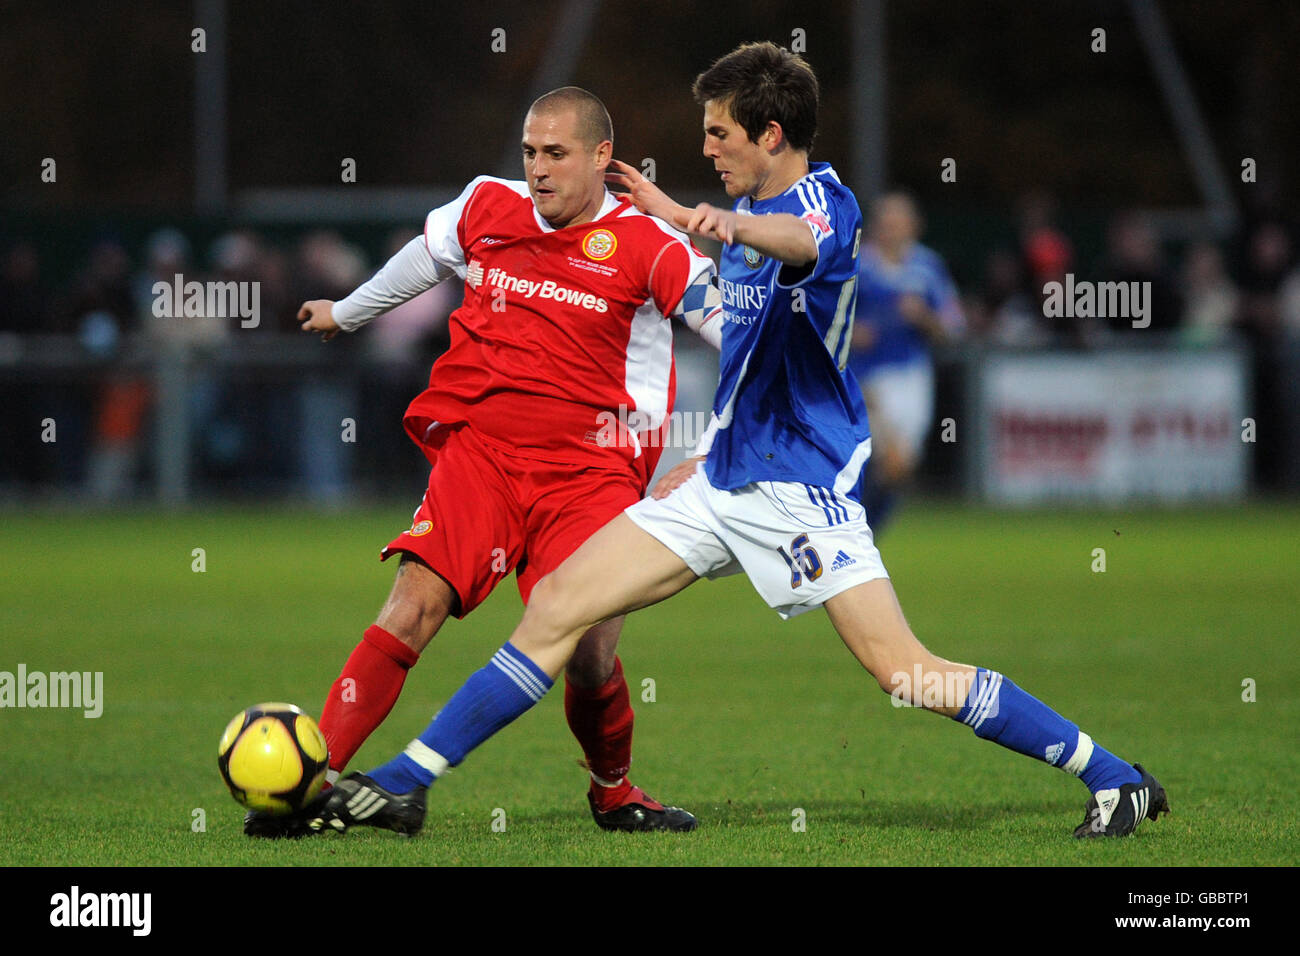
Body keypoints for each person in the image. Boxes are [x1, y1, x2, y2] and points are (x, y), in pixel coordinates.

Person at [308, 42, 1168, 841]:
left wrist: (702, 219)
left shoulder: (819, 205)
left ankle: (1111, 775)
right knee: (560, 605)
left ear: (770, 133)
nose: (709, 148)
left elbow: (801, 245)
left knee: (906, 675)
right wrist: (711, 434)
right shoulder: (747, 213)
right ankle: (409, 780)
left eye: (720, 134)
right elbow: (750, 353)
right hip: (723, 479)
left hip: (799, 488)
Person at [247, 87, 723, 837]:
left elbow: (746, 345)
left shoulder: (652, 245)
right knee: (412, 604)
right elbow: (423, 259)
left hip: (592, 473)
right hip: (483, 455)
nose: (537, 170)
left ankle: (614, 790)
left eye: (556, 154)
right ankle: (316, 783)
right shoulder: (485, 206)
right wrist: (348, 311)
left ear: (602, 157)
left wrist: (710, 450)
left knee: (591, 652)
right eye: (531, 152)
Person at [848, 193, 964, 532]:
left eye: (898, 223)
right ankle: (853, 540)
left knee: (899, 468)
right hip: (864, 377)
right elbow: (823, 314)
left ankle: (862, 539)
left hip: (912, 377)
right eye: (885, 223)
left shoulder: (928, 268)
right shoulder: (858, 265)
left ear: (914, 227)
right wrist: (851, 331)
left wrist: (924, 317)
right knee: (880, 458)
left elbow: (953, 329)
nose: (890, 230)